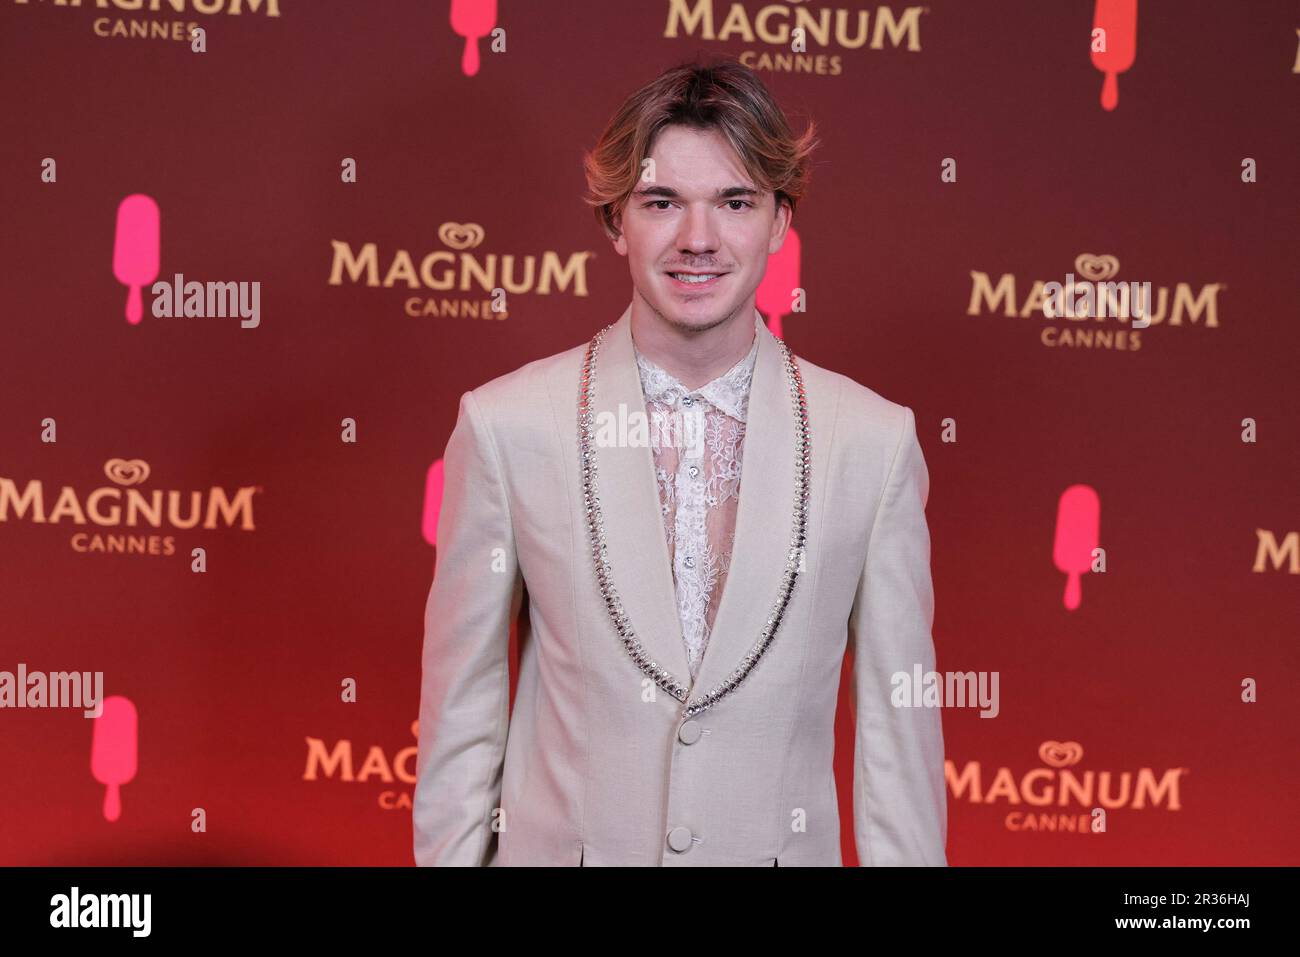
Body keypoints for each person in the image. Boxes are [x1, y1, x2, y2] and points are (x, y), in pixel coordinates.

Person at [413, 57, 946, 866]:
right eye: (663, 203)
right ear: (616, 222)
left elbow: (897, 752)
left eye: (735, 202)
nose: (698, 239)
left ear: (779, 222)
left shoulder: (871, 443)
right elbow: (461, 719)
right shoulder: (506, 427)